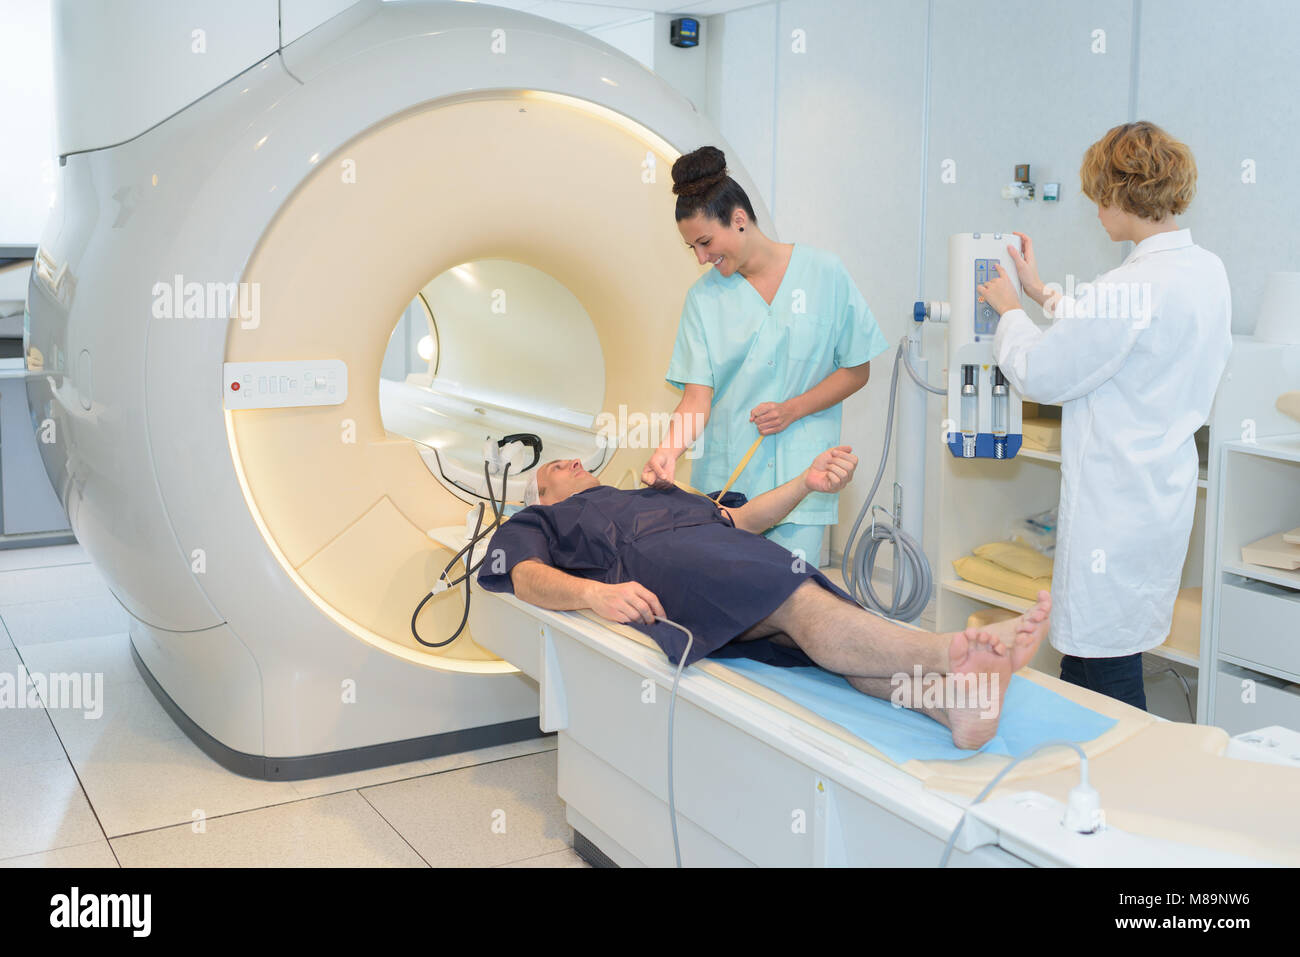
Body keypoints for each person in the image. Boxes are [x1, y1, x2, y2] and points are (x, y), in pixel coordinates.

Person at [479, 448, 1052, 750]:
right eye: (557, 466)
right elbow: (521, 575)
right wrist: (593, 594)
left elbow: (741, 519)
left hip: (719, 551)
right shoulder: (544, 517)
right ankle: (954, 652)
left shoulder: (651, 490)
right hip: (664, 565)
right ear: (542, 492)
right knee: (802, 605)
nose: (572, 462)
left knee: (829, 635)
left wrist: (807, 483)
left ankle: (956, 704)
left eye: (573, 457)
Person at [976, 121, 1231, 711]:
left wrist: (1011, 313)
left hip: (1113, 509)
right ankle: (1070, 774)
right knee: (1094, 658)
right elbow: (1119, 336)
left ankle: (1116, 789)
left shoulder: (1131, 284)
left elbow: (1044, 372)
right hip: (1159, 495)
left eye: (1097, 197)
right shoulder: (1203, 271)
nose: (1095, 212)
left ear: (1121, 193)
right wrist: (1044, 294)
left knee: (1106, 668)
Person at [641, 146, 889, 565]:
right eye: (692, 249)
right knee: (727, 602)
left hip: (802, 479)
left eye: (705, 242)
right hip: (727, 485)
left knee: (791, 604)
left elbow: (857, 369)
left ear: (739, 220)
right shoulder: (703, 300)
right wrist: (669, 450)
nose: (702, 258)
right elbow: (696, 398)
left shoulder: (824, 274)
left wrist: (794, 409)